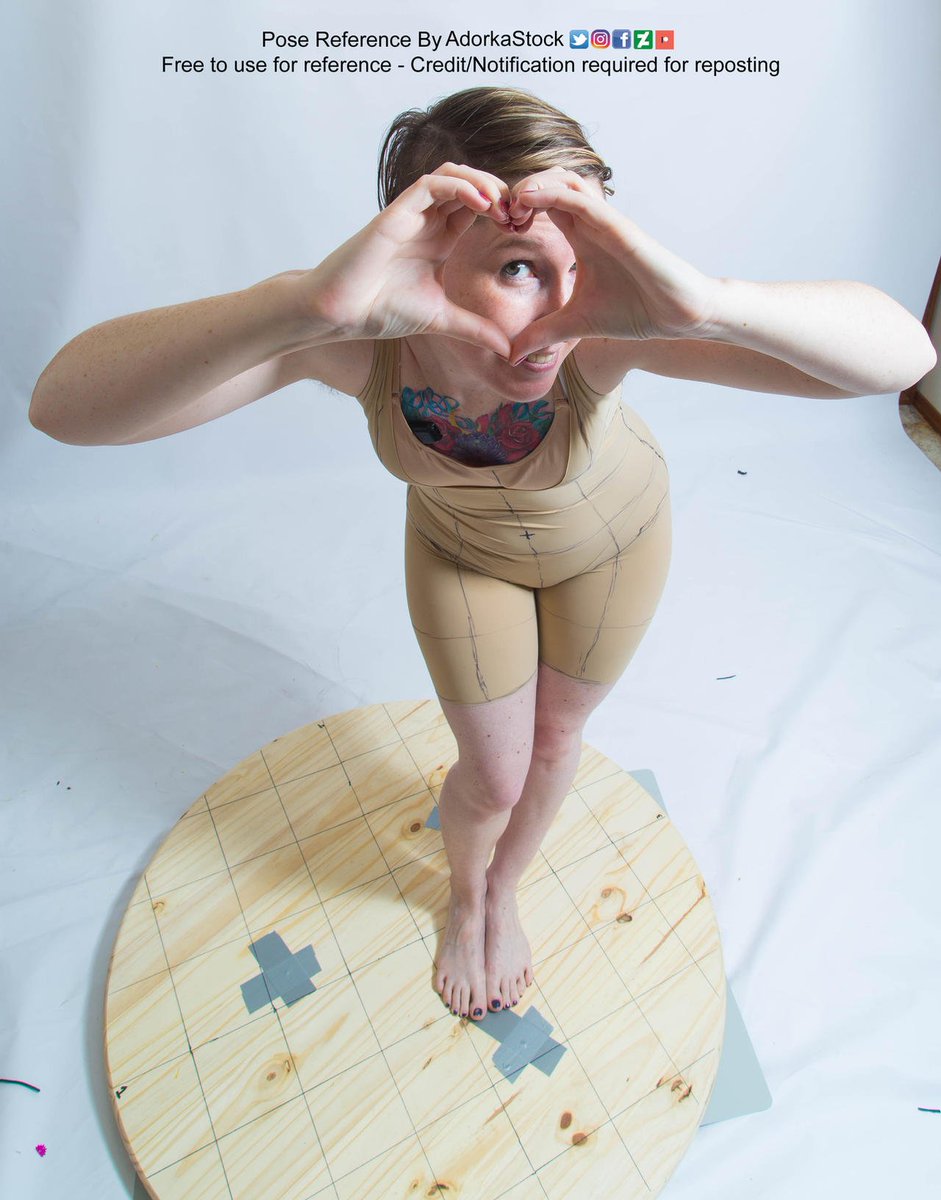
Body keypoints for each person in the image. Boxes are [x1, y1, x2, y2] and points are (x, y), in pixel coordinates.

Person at [30, 86, 935, 1027]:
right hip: (464, 556)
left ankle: (506, 890)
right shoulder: (362, 346)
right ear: (424, 250)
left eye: (582, 258)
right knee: (494, 775)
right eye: (517, 267)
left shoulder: (597, 332)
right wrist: (302, 304)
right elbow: (66, 411)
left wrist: (707, 306)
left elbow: (899, 361)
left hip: (614, 546)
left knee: (555, 741)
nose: (566, 304)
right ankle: (469, 895)